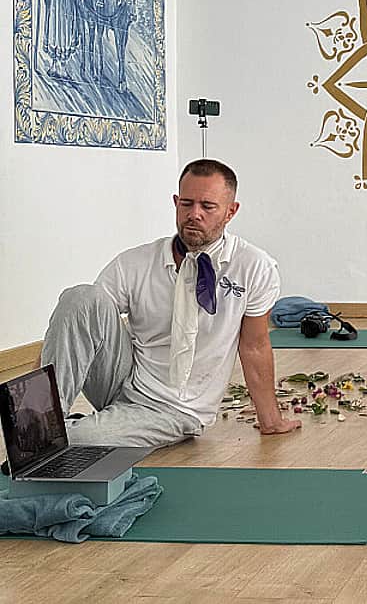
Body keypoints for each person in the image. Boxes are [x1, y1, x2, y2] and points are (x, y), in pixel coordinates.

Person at [39, 159, 300, 448]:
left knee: (73, 441)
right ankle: (43, 419)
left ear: (231, 211)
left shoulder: (254, 267)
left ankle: (67, 433)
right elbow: (80, 325)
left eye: (207, 206)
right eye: (186, 204)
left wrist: (271, 421)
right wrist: (38, 398)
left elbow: (254, 346)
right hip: (121, 380)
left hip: (176, 409)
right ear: (176, 202)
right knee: (81, 297)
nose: (194, 214)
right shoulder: (136, 262)